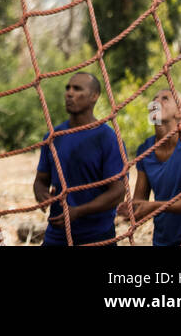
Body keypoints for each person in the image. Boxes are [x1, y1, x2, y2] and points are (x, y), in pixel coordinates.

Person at [34, 72, 127, 247]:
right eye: (67, 88)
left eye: (77, 89)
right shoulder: (53, 137)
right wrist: (41, 194)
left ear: (94, 96)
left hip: (97, 236)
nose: (69, 93)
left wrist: (78, 211)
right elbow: (41, 180)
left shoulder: (108, 138)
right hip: (57, 233)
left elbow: (118, 192)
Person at [132, 87, 181, 245]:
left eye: (165, 98)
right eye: (155, 98)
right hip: (162, 240)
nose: (156, 101)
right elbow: (139, 200)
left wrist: (154, 206)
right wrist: (131, 209)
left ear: (180, 113)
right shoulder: (145, 150)